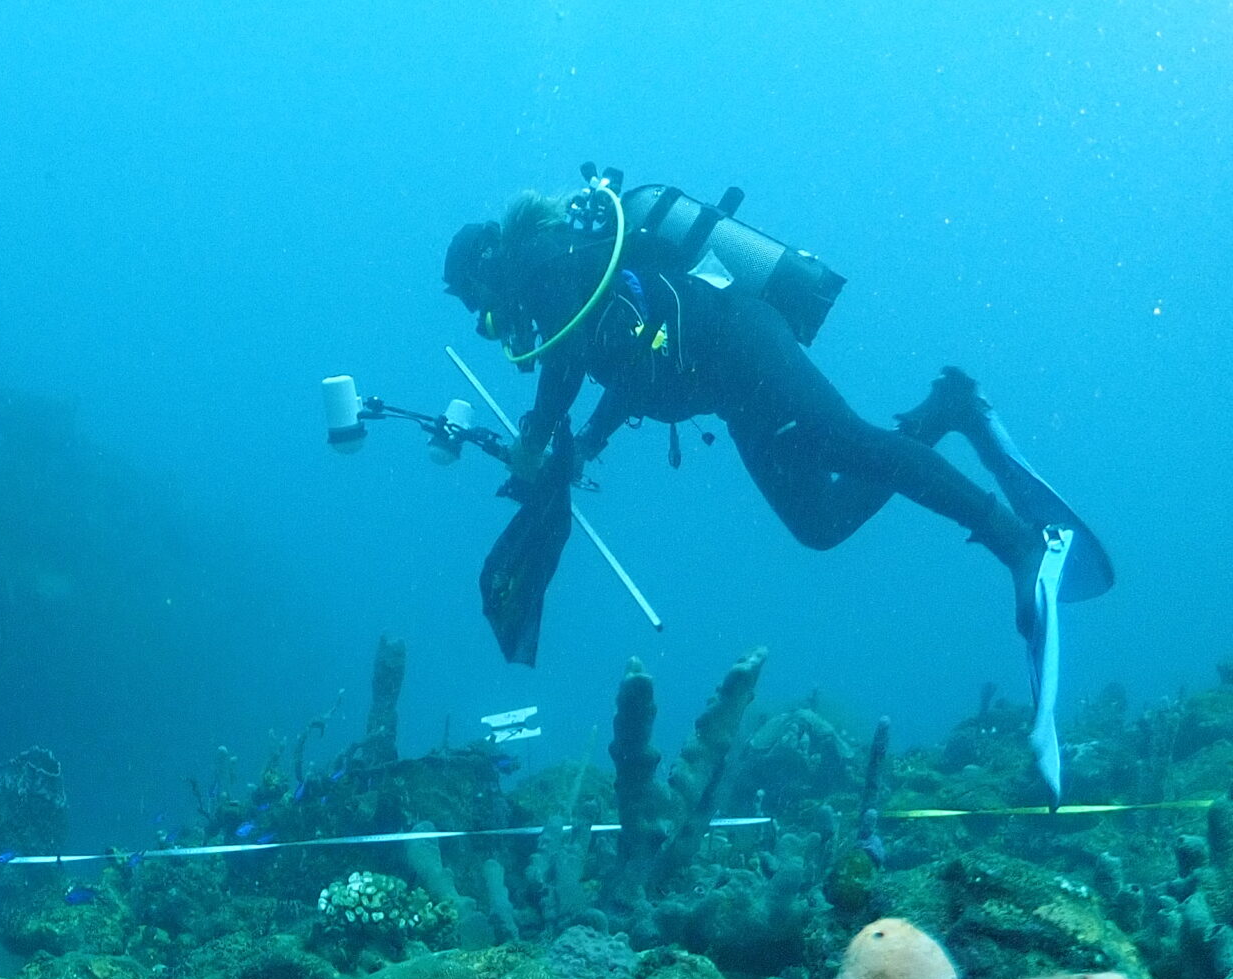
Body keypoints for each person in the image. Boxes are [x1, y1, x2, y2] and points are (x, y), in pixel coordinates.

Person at [442, 186, 1113, 646]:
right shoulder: (561, 277)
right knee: (817, 523)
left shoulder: (539, 266)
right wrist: (563, 437)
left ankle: (1020, 543)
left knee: (847, 443)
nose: (484, 317)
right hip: (728, 385)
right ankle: (944, 411)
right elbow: (595, 364)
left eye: (474, 296)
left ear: (488, 262)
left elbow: (597, 364)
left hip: (738, 340)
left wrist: (559, 438)